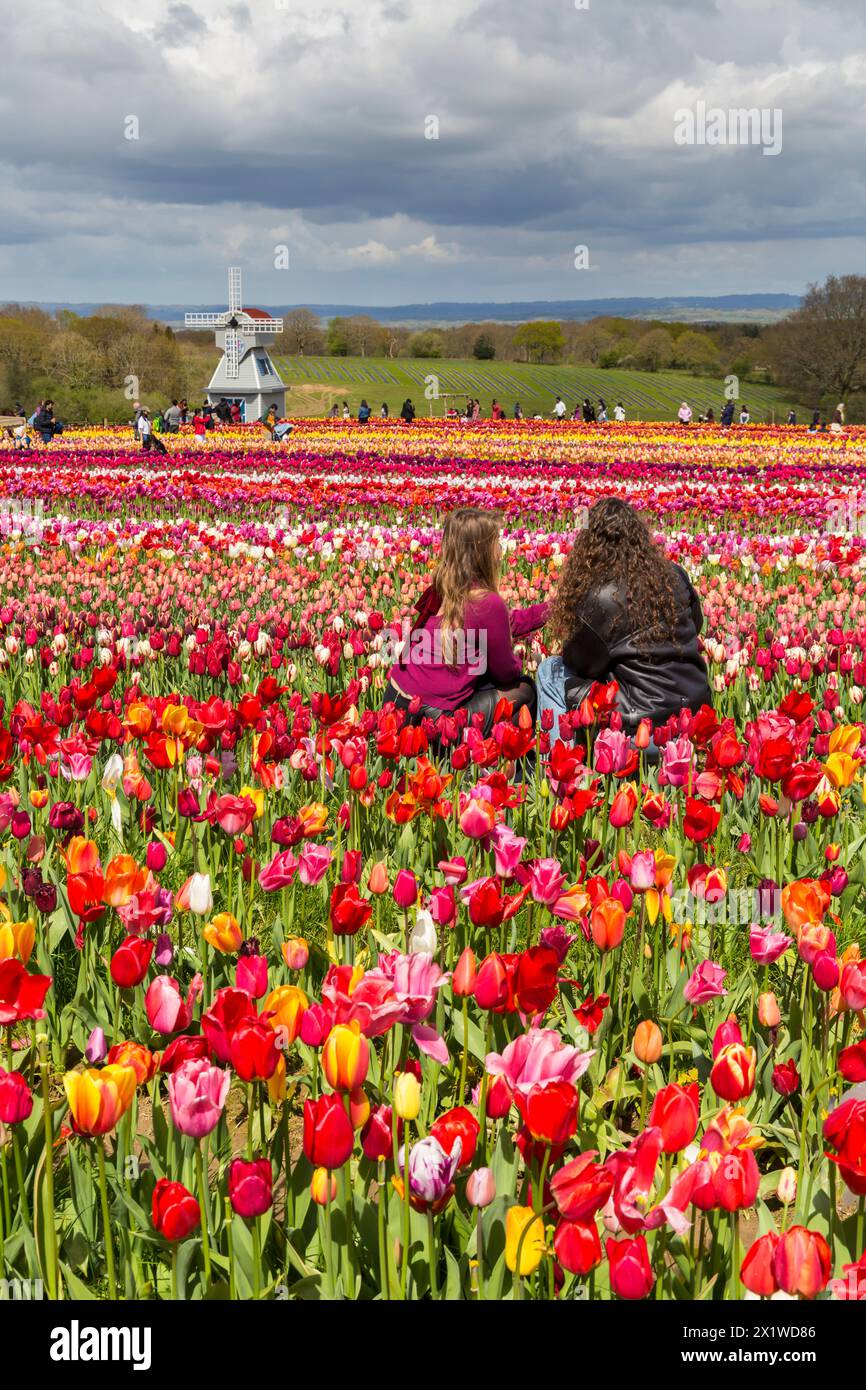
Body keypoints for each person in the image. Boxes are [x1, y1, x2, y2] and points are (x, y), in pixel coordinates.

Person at [535, 498, 712, 737]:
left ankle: (559, 759)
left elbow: (579, 663)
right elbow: (696, 624)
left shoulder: (604, 596)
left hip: (638, 720)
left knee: (550, 670)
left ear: (591, 546)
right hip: (693, 709)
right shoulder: (675, 575)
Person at [382, 507, 547, 734]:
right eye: (495, 544)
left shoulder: (442, 586)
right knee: (524, 690)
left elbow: (502, 623)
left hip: (394, 701)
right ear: (481, 552)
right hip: (432, 719)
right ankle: (504, 764)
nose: (500, 551)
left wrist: (550, 609)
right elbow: (506, 672)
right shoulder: (486, 603)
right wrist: (519, 659)